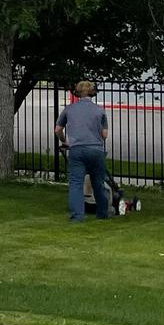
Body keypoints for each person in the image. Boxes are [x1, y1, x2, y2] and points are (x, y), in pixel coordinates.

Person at [56, 80, 110, 221]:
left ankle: (77, 216)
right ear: (92, 93)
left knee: (76, 183)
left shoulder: (69, 109)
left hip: (77, 149)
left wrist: (64, 141)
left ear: (77, 93)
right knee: (98, 183)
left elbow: (58, 129)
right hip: (96, 150)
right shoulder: (99, 110)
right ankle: (102, 213)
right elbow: (104, 134)